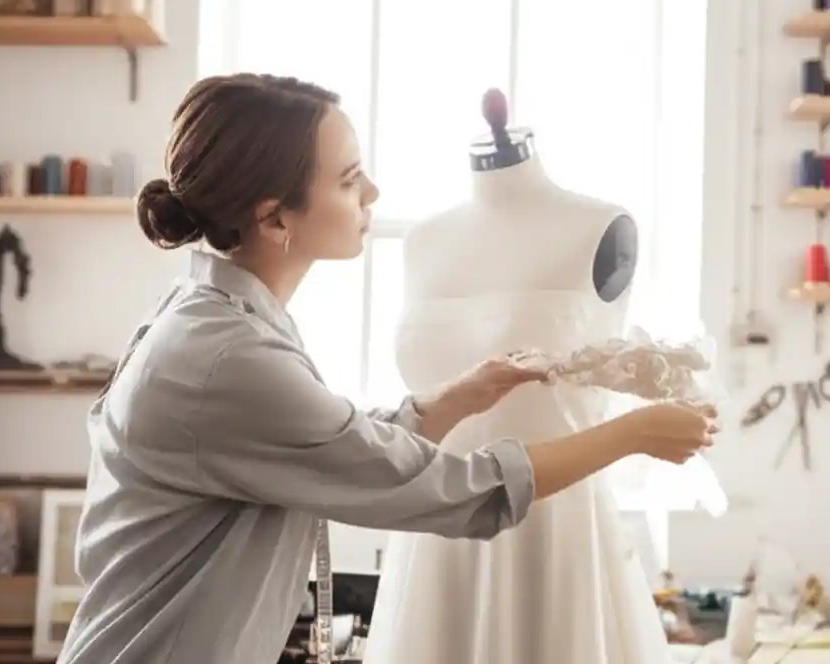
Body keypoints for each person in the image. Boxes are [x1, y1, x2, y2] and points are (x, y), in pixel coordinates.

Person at [57, 73, 717, 664]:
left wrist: (451, 401)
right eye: (348, 179)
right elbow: (457, 489)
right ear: (274, 218)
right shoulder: (227, 359)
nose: (373, 192)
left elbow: (331, 443)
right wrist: (633, 435)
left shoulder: (218, 321)